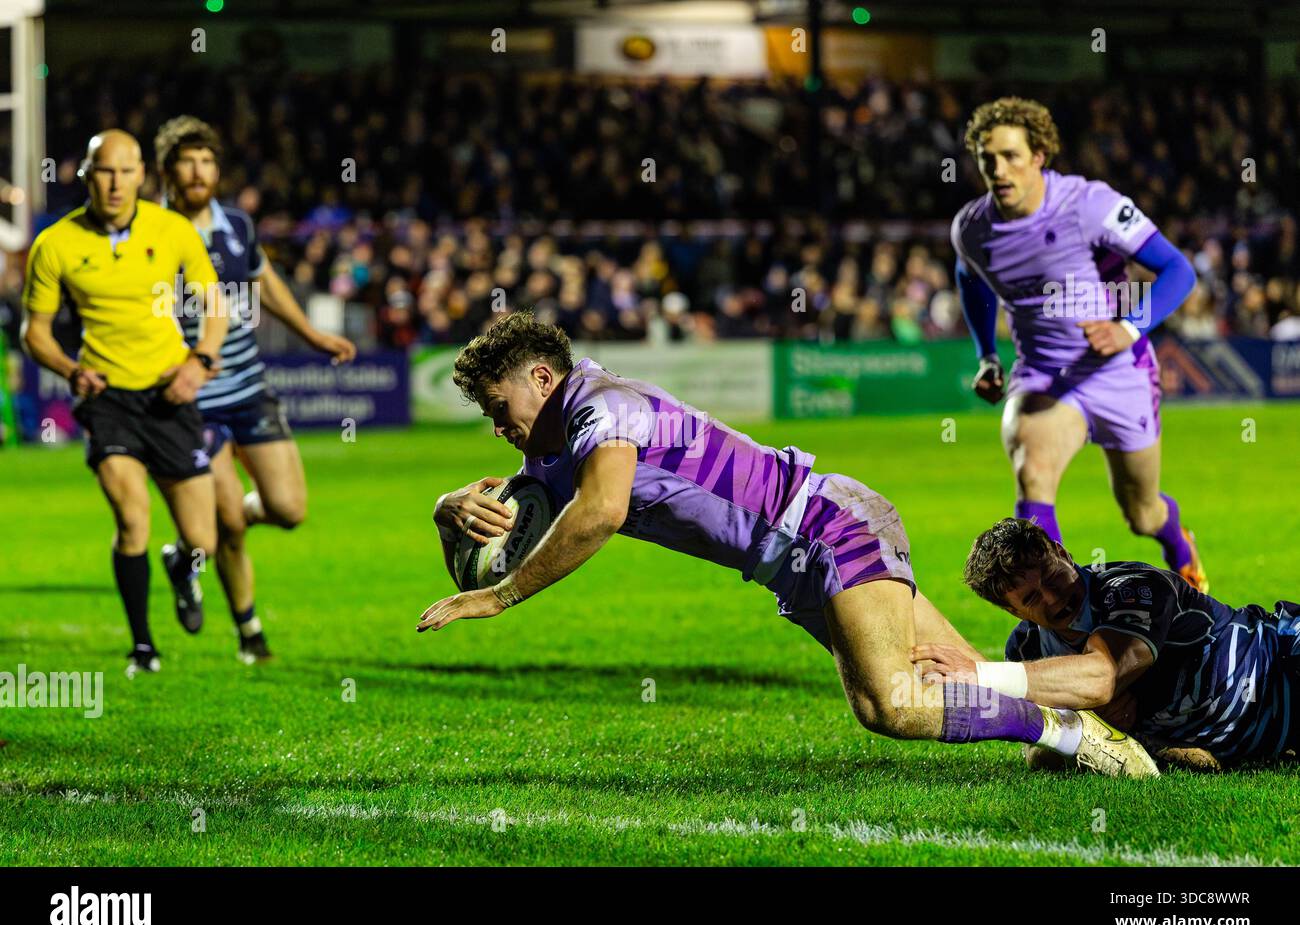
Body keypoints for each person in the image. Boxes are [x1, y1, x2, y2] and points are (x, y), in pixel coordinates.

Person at [417, 313, 1160, 778]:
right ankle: (1110, 724)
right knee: (955, 671)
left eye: (498, 408)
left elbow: (600, 513)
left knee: (890, 705)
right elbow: (519, 509)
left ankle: (1062, 730)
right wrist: (446, 506)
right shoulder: (558, 439)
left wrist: (499, 596)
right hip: (800, 552)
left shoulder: (605, 414)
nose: (496, 426)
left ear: (542, 379)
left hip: (825, 528)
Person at [951, 97, 1206, 591]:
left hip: (1117, 372)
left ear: (1040, 155)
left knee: (1141, 512)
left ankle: (1179, 544)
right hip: (1043, 375)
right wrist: (986, 354)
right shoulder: (972, 228)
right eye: (988, 160)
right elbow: (970, 279)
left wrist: (1128, 327)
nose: (998, 170)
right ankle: (1066, 615)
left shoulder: (1090, 205)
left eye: (1011, 157)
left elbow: (1179, 270)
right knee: (1033, 472)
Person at [21, 130, 226, 674]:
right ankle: (143, 646)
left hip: (169, 393)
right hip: (106, 397)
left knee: (202, 537)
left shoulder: (173, 229)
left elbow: (216, 306)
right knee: (132, 518)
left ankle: (182, 566)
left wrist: (199, 362)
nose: (115, 183)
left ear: (143, 175)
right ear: (86, 175)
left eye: (126, 171)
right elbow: (33, 333)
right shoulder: (56, 243)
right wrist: (71, 370)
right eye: (103, 171)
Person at [153, 116, 356, 663]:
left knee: (288, 509)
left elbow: (265, 282)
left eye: (206, 161)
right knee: (227, 526)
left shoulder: (236, 226)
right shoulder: (152, 231)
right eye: (186, 162)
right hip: (191, 400)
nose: (198, 172)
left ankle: (185, 555)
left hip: (248, 389)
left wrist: (311, 334)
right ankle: (250, 632)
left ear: (216, 169)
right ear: (167, 172)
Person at [915, 517, 1300, 770]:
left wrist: (979, 675)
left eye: (1053, 576)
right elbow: (1041, 753)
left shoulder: (1134, 589)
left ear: (1063, 554)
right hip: (1247, 740)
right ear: (1012, 611)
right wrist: (1089, 720)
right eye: (1031, 599)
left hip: (1280, 666)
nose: (1052, 598)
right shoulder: (1027, 650)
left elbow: (1101, 676)